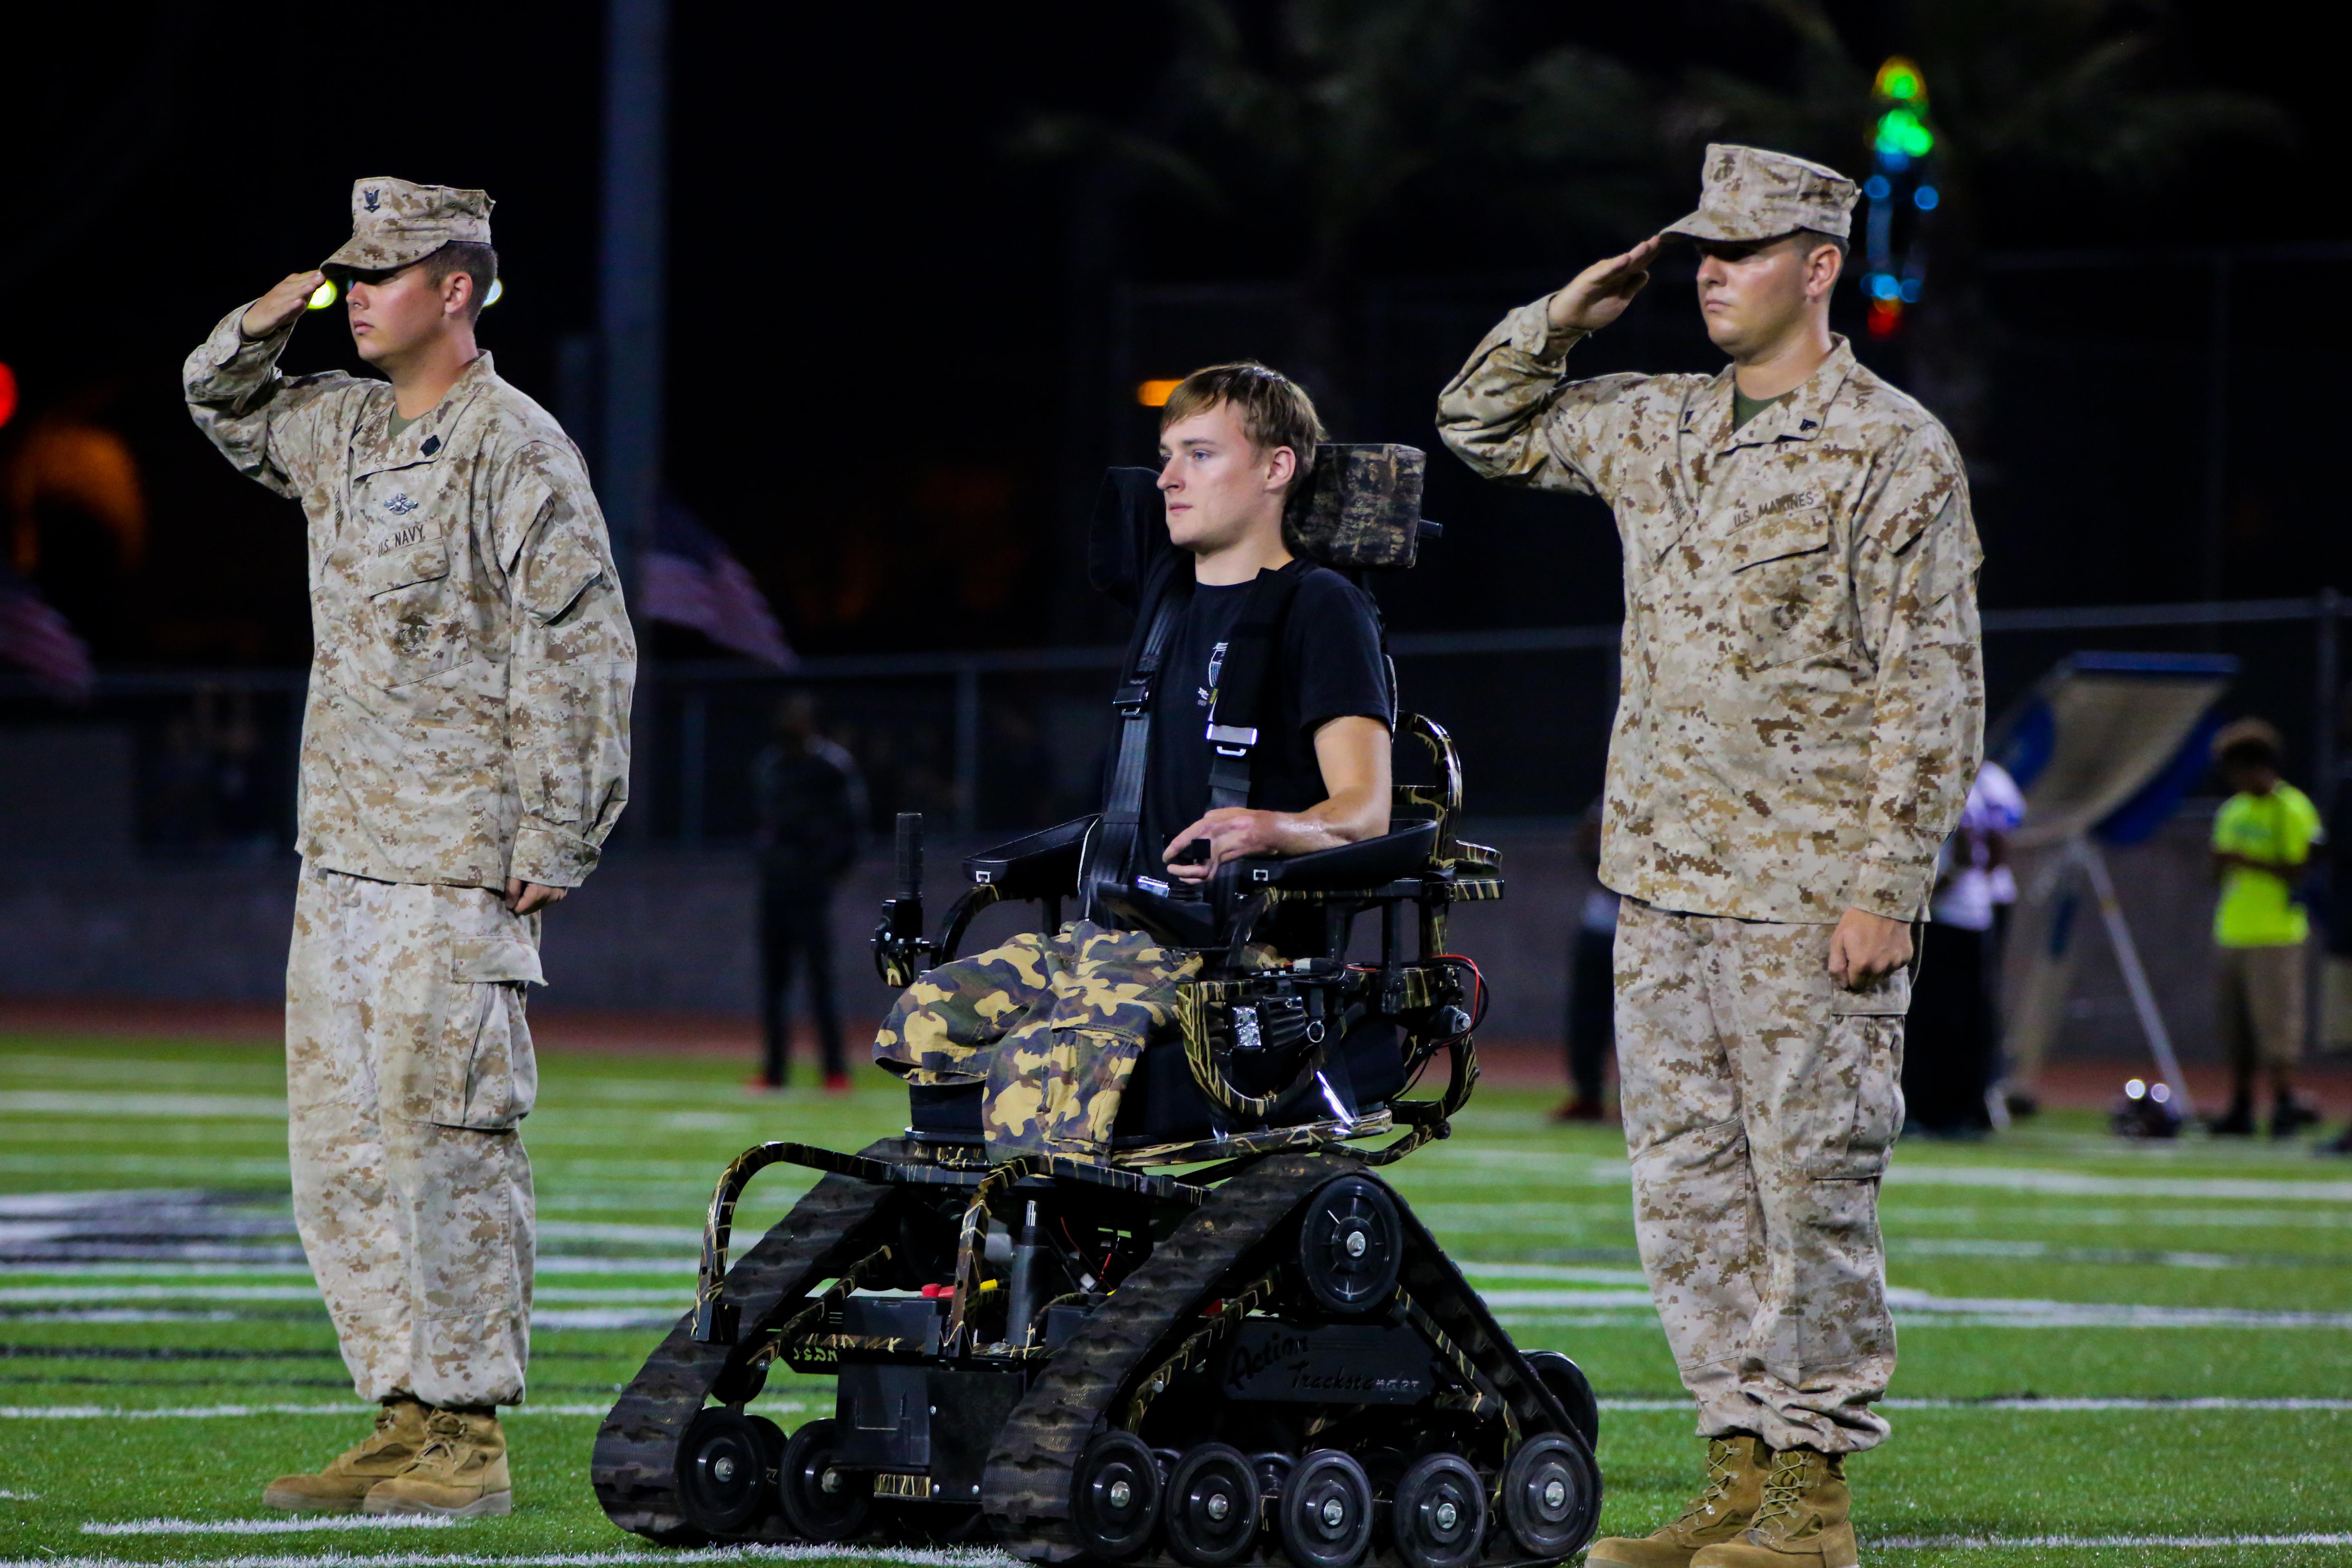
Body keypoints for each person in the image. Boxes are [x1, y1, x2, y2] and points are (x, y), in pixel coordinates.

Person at [1437, 144, 1984, 1568]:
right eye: (1699, 253)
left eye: (1741, 252)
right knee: (1688, 1194)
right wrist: (1570, 312)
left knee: (1813, 1186)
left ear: (1819, 268)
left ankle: (1814, 1501)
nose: (1710, 275)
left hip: (1810, 898)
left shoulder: (1895, 448)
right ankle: (1735, 1474)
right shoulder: (1662, 424)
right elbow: (1477, 428)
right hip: (1666, 886)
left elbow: (1933, 684)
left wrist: (1889, 884)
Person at [183, 178, 635, 1517]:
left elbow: (586, 644)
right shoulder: (346, 429)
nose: (356, 294)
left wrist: (564, 822)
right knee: (346, 1157)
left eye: (383, 274)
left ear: (457, 290)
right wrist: (277, 308)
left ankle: (469, 1441)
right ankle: (400, 1413)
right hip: (343, 858)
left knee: (450, 1145)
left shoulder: (517, 446)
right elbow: (220, 400)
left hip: (458, 858)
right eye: (348, 274)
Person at [873, 362, 1394, 1155]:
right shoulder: (1168, 594)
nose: (1169, 479)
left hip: (1230, 949)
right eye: (1167, 454)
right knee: (929, 1012)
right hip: (1112, 937)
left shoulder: (1320, 608)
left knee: (1044, 1054)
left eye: (1201, 455)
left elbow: (1365, 811)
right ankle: (976, 1240)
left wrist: (1269, 828)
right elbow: (1122, 498)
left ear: (1277, 468)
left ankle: (1044, 1246)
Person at [2205, 718, 2324, 1138]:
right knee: (2237, 1031)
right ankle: (2241, 1107)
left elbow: (2301, 869)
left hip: (2276, 934)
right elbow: (2218, 870)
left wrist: (2245, 861)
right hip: (2233, 932)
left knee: (2277, 1031)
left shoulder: (2292, 808)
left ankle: (2285, 1106)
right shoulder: (2233, 810)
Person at [750, 692, 866, 1091]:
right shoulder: (772, 765)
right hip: (776, 888)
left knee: (821, 984)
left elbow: (850, 829)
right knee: (773, 985)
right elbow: (765, 823)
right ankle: (774, 1071)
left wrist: (825, 873)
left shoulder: (831, 768)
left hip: (811, 890)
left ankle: (835, 1071)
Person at [1903, 762, 2023, 1137]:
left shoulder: (1947, 789)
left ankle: (1941, 1110)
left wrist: (1925, 899)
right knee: (1962, 1018)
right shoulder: (1978, 784)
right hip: (1972, 913)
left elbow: (1970, 852)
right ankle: (1959, 1109)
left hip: (1949, 917)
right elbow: (1995, 848)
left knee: (1935, 1019)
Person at [1556, 796, 1618, 1123]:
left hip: (1649, 931)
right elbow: (1587, 840)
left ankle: (1634, 1102)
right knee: (1586, 1019)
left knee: (1641, 1020)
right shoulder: (1609, 800)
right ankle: (1588, 1095)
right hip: (1601, 924)